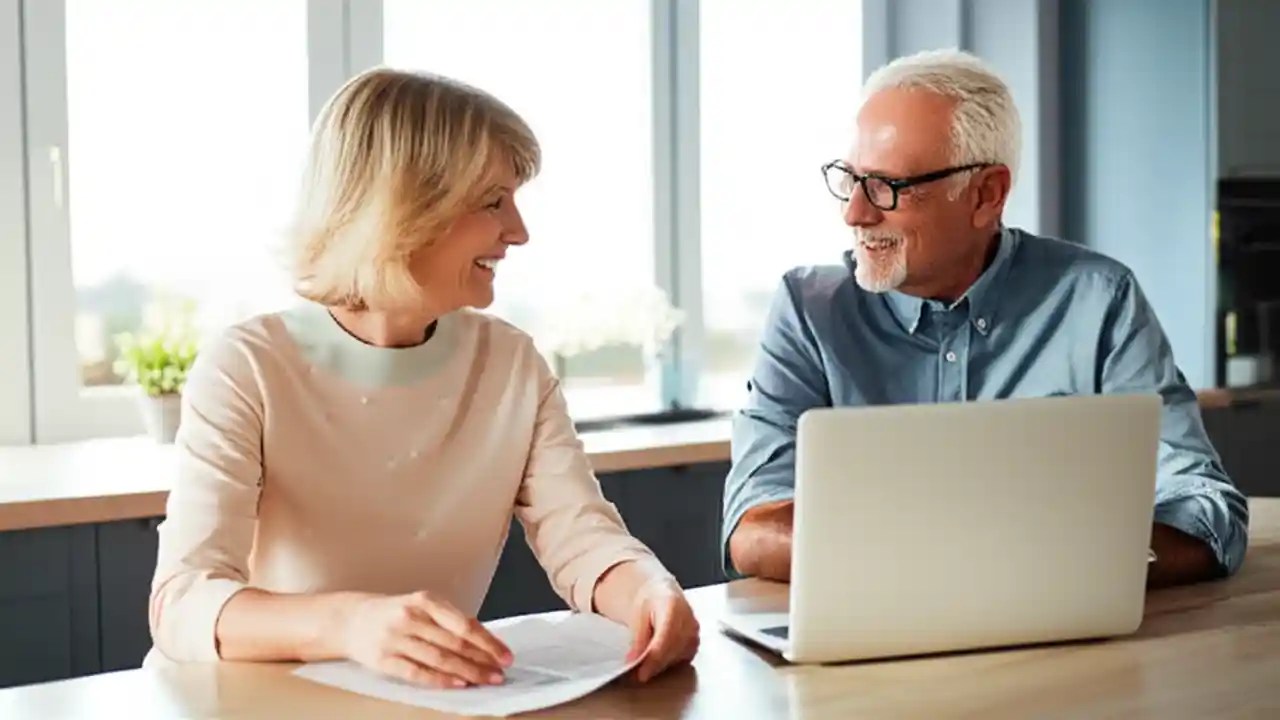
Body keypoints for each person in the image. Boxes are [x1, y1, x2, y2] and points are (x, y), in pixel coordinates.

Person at [147, 67, 699, 688]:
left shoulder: (511, 364)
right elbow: (182, 602)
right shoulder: (249, 365)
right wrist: (351, 624)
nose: (518, 231)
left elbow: (583, 538)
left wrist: (649, 590)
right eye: (493, 201)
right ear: (405, 209)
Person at [722, 49, 1249, 590]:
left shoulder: (1097, 300)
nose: (855, 212)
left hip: (1062, 646)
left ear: (986, 194)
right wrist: (978, 563)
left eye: (887, 187)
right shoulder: (808, 310)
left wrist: (1042, 567)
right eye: (850, 179)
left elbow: (1206, 513)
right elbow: (753, 527)